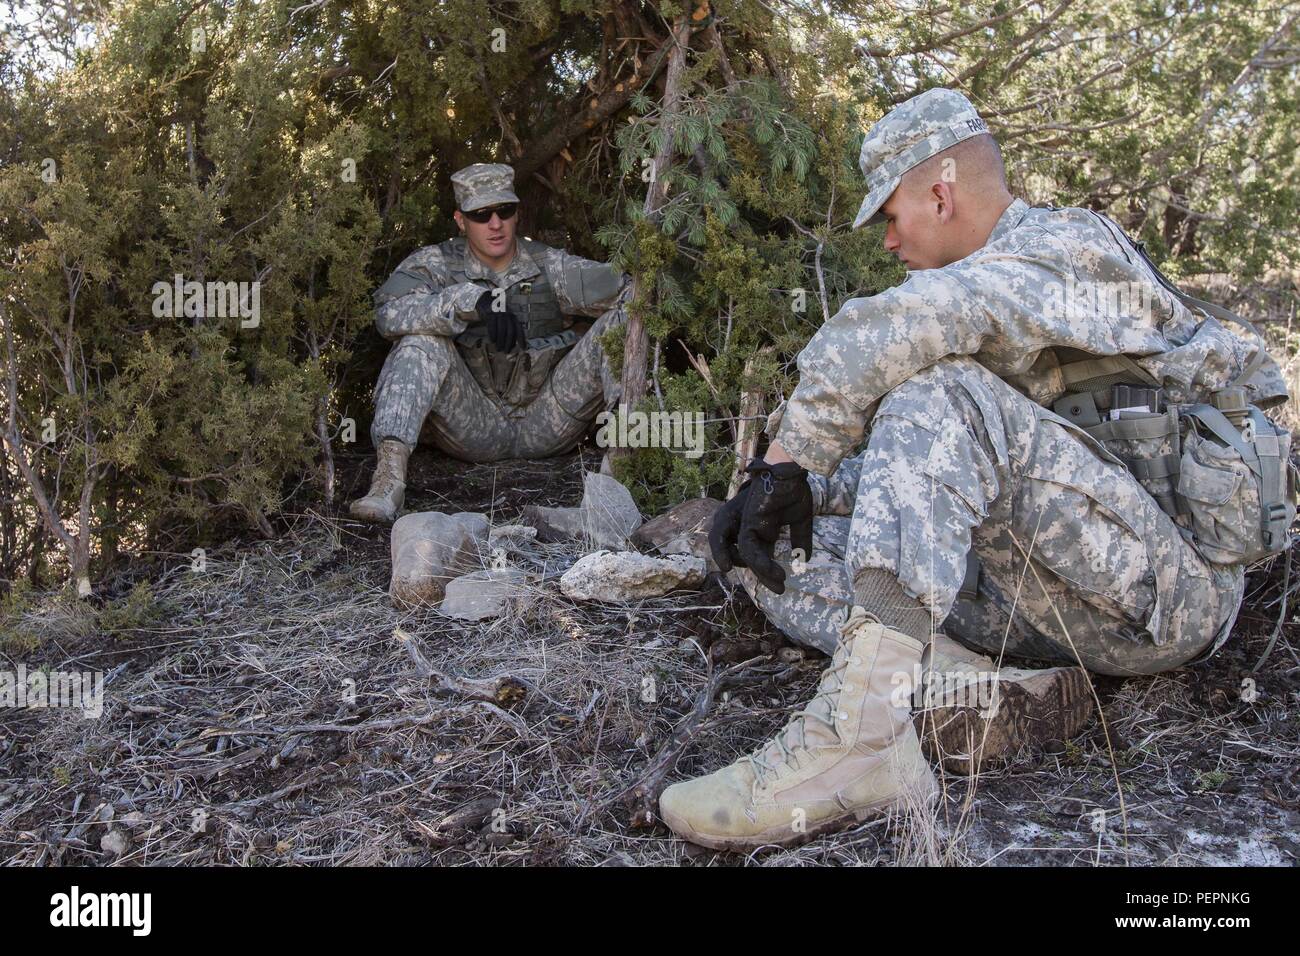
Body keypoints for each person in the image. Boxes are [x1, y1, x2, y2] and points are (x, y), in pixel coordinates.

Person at [658, 88, 1293, 851]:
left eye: (890, 216)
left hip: (1166, 599)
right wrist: (799, 493)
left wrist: (784, 463)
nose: (888, 241)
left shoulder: (1063, 251)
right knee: (779, 553)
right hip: (1049, 593)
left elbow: (890, 332)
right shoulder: (996, 298)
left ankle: (858, 744)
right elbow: (921, 474)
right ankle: (975, 682)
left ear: (941, 191)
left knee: (938, 393)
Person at [351, 163, 630, 522]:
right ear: (460, 220)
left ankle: (620, 476)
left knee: (622, 324)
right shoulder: (436, 264)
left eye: (505, 211)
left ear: (517, 214)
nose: (495, 224)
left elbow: (632, 292)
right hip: (475, 423)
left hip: (547, 418)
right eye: (480, 215)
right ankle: (388, 482)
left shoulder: (550, 266)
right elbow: (388, 313)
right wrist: (470, 302)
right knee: (418, 342)